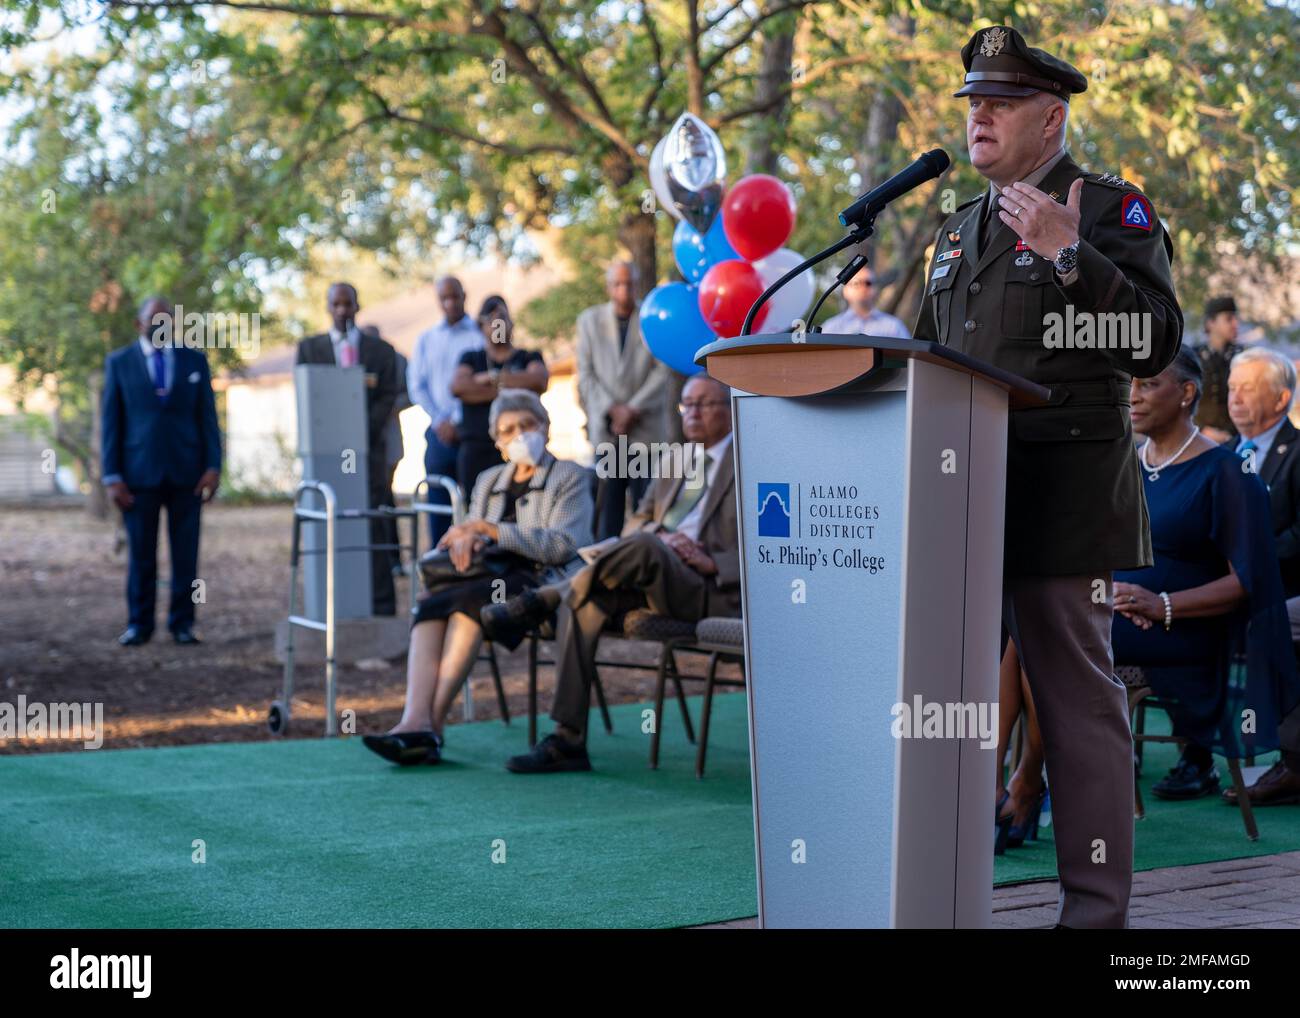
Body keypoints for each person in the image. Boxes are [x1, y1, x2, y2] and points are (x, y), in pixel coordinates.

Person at [911, 25, 1183, 928]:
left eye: (1000, 103)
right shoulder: (953, 233)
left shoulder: (1110, 211)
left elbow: (1154, 344)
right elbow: (923, 362)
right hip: (956, 501)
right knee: (941, 708)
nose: (978, 116)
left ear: (1051, 118)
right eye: (973, 103)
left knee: (1077, 714)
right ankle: (939, 897)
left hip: (1063, 504)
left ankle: (1096, 917)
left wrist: (1073, 254)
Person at [492, 374, 739, 774]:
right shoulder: (677, 458)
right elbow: (641, 518)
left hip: (705, 585)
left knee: (643, 546)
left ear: (730, 411)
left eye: (703, 404)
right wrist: (656, 537)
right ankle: (567, 740)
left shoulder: (751, 462)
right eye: (686, 405)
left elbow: (772, 543)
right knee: (588, 600)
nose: (691, 413)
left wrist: (713, 562)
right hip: (650, 573)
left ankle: (546, 597)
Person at [361, 390, 593, 765]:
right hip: (485, 577)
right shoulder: (488, 480)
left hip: (542, 582)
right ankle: (414, 720)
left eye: (526, 425)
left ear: (545, 428)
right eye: (507, 430)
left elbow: (563, 545)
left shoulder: (569, 476)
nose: (518, 435)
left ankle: (429, 728)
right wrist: (465, 539)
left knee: (470, 604)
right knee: (430, 605)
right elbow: (468, 532)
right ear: (498, 442)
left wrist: (492, 530)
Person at [1112, 347, 1299, 797]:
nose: (1133, 397)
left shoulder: (1228, 471)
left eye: (1149, 384)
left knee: (1048, 638)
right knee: (1030, 627)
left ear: (1186, 393)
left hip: (1186, 630)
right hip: (1122, 615)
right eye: (1130, 385)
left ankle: (1033, 786)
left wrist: (1161, 605)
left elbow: (1248, 578)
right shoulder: (1127, 464)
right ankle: (1023, 779)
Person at [101, 296, 222, 646]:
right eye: (153, 319)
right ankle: (139, 624)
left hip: (189, 475)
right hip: (138, 478)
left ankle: (182, 624)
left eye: (166, 318)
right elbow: (112, 423)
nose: (160, 324)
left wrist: (213, 467)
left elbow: (208, 421)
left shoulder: (194, 360)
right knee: (141, 556)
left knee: (186, 556)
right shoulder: (119, 363)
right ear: (139, 324)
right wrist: (112, 476)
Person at [1222, 346, 1300, 807]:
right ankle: (1195, 752)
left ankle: (1291, 762)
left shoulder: (1298, 452)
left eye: (1248, 389)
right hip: (1221, 588)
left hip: (1283, 587)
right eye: (1231, 388)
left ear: (1281, 398)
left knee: (1272, 624)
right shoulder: (1223, 453)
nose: (1235, 399)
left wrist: (1252, 564)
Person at [296, 283, 403, 616]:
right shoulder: (310, 350)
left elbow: (388, 396)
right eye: (336, 304)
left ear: (358, 306)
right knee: (331, 522)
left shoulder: (381, 352)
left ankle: (381, 606)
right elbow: (308, 397)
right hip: (327, 456)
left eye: (348, 304)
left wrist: (357, 432)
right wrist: (337, 434)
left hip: (368, 455)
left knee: (373, 521)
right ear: (328, 307)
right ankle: (331, 605)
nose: (342, 310)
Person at [577, 260, 669, 539]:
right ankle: (606, 572)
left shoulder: (653, 318)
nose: (624, 290)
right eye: (617, 283)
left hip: (646, 432)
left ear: (637, 285)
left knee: (647, 510)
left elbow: (663, 370)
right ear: (608, 287)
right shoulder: (589, 321)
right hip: (609, 433)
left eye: (629, 284)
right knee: (607, 511)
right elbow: (585, 374)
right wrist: (611, 410)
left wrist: (632, 409)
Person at [409, 276, 484, 544]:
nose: (451, 303)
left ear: (465, 295)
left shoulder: (480, 335)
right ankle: (439, 568)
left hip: (473, 432)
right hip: (438, 433)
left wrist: (459, 420)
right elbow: (417, 385)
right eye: (445, 298)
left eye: (455, 296)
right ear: (439, 301)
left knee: (478, 501)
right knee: (439, 503)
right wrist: (441, 420)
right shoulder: (426, 339)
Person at [451, 295, 548, 498]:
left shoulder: (528, 357)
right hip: (477, 450)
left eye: (503, 318)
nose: (499, 325)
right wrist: (511, 390)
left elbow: (538, 380)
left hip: (521, 448)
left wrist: (489, 379)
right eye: (492, 320)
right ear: (481, 326)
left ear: (511, 323)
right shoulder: (470, 358)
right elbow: (459, 387)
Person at [1193, 296, 1244, 445]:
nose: (1235, 324)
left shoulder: (1244, 358)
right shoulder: (1193, 357)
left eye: (1235, 318)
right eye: (1229, 319)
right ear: (1211, 323)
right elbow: (1179, 399)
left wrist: (1229, 434)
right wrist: (1201, 429)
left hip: (1237, 440)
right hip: (1198, 439)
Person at [822, 267, 911, 338]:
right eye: (856, 283)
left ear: (876, 290)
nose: (863, 288)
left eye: (868, 283)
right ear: (845, 291)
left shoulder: (894, 327)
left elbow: (907, 357)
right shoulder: (830, 327)